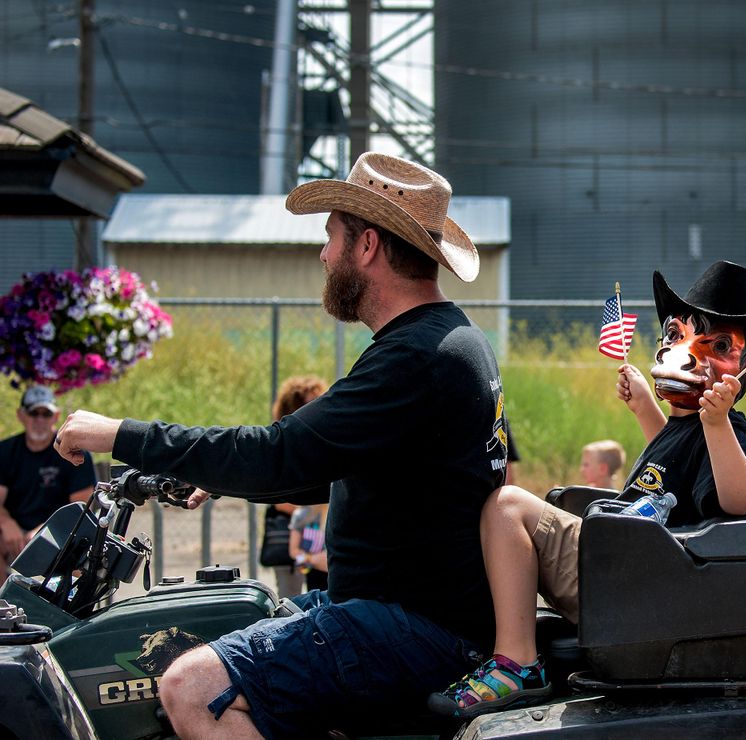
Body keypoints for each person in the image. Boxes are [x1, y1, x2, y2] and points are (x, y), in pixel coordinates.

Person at [53, 153, 512, 738]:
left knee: (191, 687)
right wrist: (215, 478)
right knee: (226, 618)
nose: (323, 254)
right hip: (406, 615)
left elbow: (279, 452)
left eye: (331, 236)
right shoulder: (449, 339)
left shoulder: (417, 356)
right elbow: (345, 465)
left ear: (367, 245)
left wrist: (120, 435)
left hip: (412, 627)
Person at [428, 260, 746, 718]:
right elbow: (670, 474)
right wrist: (644, 408)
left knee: (508, 507)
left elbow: (740, 501)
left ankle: (517, 663)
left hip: (635, 581)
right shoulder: (684, 430)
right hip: (623, 567)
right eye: (675, 333)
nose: (682, 352)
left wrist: (718, 422)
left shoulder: (724, 430)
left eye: (718, 345)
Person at [0, 385, 96, 569]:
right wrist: (6, 523)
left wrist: (43, 532)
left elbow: (81, 509)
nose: (40, 420)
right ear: (21, 415)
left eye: (46, 414)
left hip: (62, 532)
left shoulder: (74, 452)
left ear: (56, 416)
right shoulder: (5, 451)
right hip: (15, 537)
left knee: (81, 554)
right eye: (33, 413)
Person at [264, 375, 329, 598]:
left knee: (322, 593)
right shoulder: (283, 444)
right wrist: (314, 511)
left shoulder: (323, 444)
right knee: (289, 597)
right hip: (294, 538)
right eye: (305, 403)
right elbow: (281, 501)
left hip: (316, 537)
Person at [288, 503, 329, 593]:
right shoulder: (301, 514)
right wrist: (311, 558)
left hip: (335, 571)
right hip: (313, 572)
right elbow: (293, 552)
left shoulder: (337, 511)